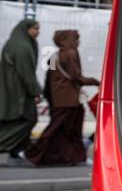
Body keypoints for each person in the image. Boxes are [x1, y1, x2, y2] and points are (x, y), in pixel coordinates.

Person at [25, 29, 99, 166]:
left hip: (56, 98)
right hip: (68, 99)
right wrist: (96, 82)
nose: (78, 42)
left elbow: (49, 77)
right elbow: (76, 77)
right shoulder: (71, 54)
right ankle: (36, 153)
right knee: (69, 130)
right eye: (76, 39)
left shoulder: (54, 56)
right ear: (69, 40)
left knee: (59, 129)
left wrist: (48, 95)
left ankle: (63, 157)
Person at [0, 19, 41, 163]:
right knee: (29, 118)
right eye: (35, 29)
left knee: (13, 121)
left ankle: (15, 152)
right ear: (27, 29)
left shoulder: (20, 43)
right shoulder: (21, 47)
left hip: (14, 89)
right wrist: (36, 91)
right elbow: (26, 73)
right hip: (18, 91)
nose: (38, 32)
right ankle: (6, 146)